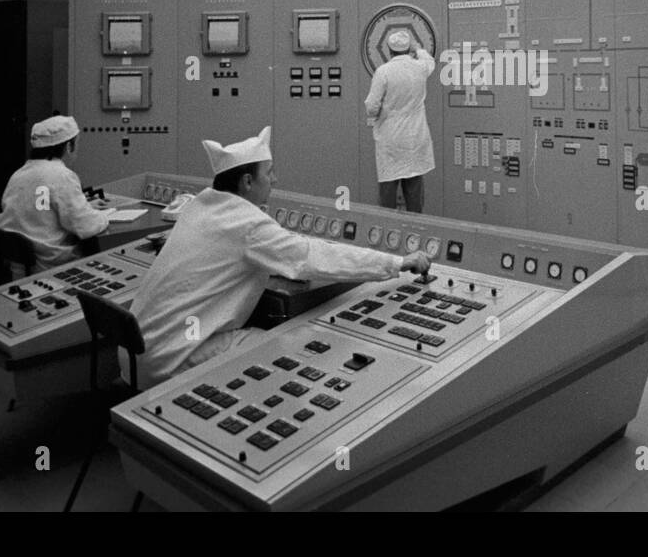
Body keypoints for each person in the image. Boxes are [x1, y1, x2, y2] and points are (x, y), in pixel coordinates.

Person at [126, 126, 430, 387]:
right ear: (247, 181)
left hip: (135, 354)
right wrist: (396, 262)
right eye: (269, 173)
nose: (276, 180)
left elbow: (253, 256)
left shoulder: (200, 207)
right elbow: (311, 257)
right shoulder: (245, 224)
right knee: (290, 352)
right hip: (171, 360)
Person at [0, 115, 110, 272]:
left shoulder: (19, 174)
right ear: (69, 146)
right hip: (51, 265)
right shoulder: (62, 175)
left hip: (19, 265)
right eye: (76, 143)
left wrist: (85, 206)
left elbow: (39, 208)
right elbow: (86, 226)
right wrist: (104, 216)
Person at [365, 29, 435, 212]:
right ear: (407, 49)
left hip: (391, 139)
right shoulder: (420, 67)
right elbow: (430, 61)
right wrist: (418, 48)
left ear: (389, 50)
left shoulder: (383, 72)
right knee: (414, 190)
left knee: (388, 189)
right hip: (416, 138)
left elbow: (371, 106)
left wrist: (381, 114)